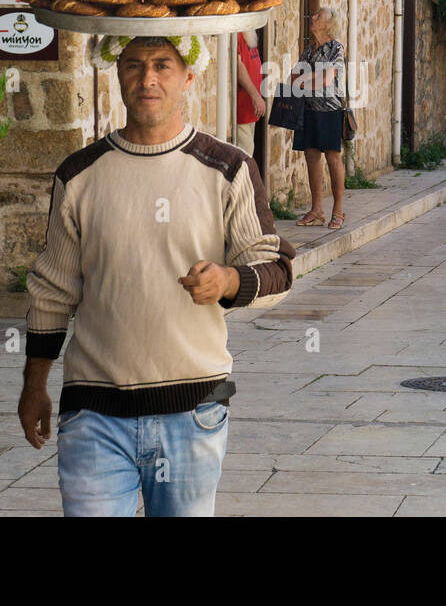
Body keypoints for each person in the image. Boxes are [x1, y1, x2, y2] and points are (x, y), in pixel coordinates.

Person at [18, 35, 294, 517]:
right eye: (134, 65)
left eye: (163, 66)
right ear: (116, 73)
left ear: (188, 78)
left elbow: (277, 269)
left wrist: (228, 281)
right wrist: (34, 383)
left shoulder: (227, 169)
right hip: (93, 412)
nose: (148, 79)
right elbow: (53, 290)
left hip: (193, 412)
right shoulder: (79, 174)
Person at [291, 6, 347, 229]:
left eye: (318, 16)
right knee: (311, 158)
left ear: (329, 23)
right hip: (308, 110)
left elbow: (326, 80)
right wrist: (312, 77)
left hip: (330, 110)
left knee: (333, 159)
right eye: (314, 14)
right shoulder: (308, 51)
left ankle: (338, 210)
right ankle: (316, 210)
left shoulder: (336, 48)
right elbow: (292, 77)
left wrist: (306, 79)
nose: (312, 17)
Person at [236, 29, 265, 157]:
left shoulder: (248, 35)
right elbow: (237, 66)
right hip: (240, 109)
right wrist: (256, 96)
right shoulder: (236, 35)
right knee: (245, 155)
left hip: (250, 109)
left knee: (248, 151)